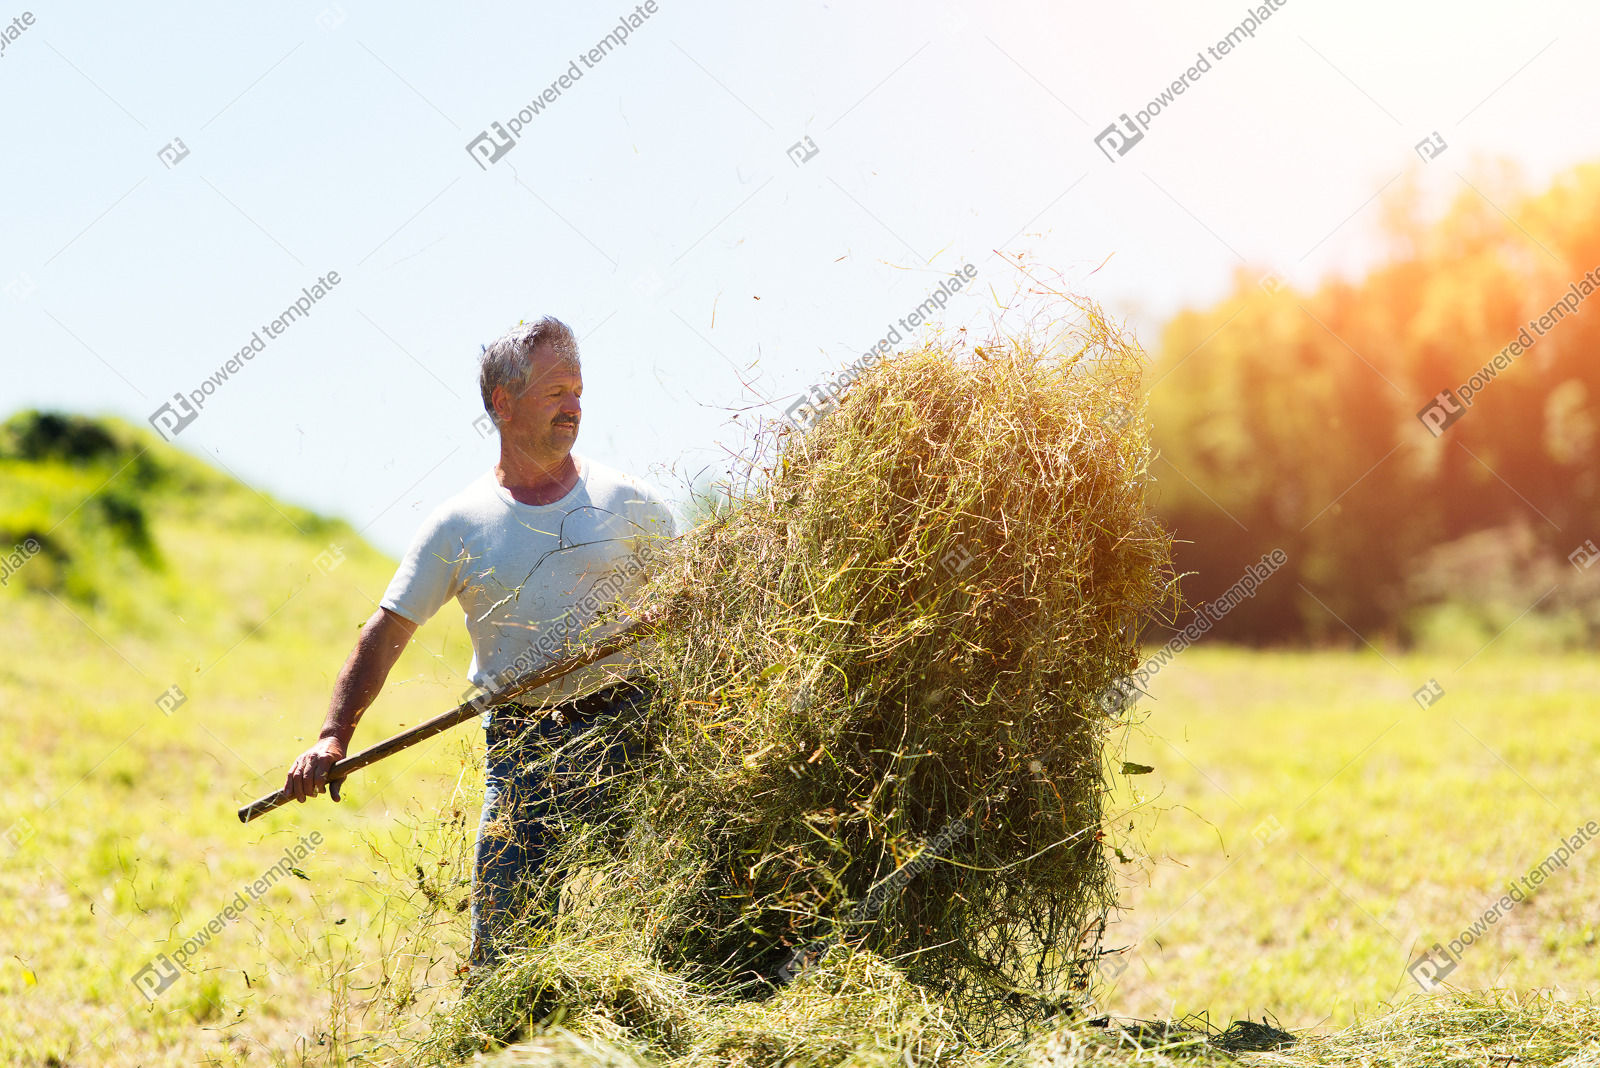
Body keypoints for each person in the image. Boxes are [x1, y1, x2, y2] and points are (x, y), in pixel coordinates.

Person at [281, 316, 676, 967]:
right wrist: (334, 734)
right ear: (504, 402)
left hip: (634, 738)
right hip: (524, 751)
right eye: (555, 392)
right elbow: (385, 633)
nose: (574, 406)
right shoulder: (460, 525)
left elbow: (701, 595)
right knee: (505, 960)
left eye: (578, 390)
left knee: (658, 935)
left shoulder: (628, 502)